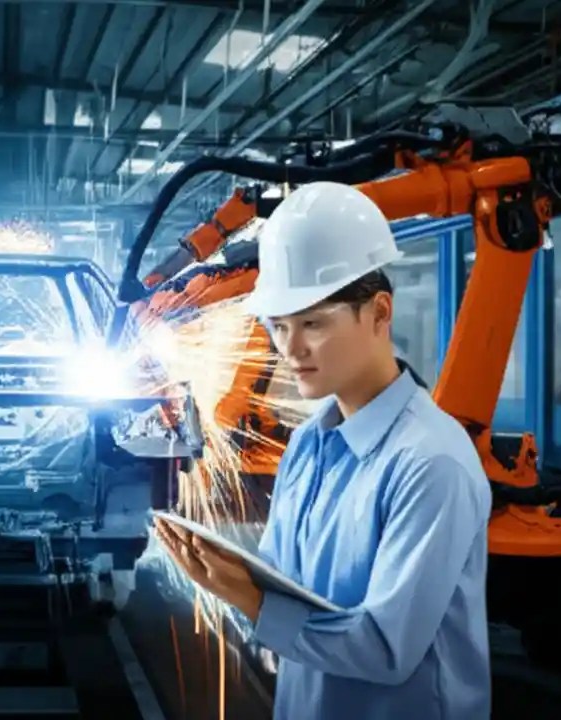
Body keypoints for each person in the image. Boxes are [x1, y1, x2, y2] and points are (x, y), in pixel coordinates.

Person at [154, 181, 491, 720]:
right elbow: (285, 593)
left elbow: (386, 649)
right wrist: (224, 575)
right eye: (279, 326)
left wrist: (251, 599)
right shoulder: (309, 446)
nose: (290, 349)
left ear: (379, 313)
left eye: (312, 323)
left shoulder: (431, 463)